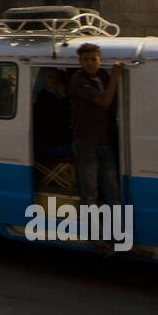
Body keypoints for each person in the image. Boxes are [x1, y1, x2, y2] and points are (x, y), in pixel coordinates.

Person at [67, 43, 123, 207]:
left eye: (93, 59)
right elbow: (104, 101)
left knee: (113, 192)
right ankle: (91, 231)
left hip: (104, 141)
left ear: (99, 60)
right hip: (86, 142)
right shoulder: (78, 81)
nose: (89, 63)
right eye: (85, 59)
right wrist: (115, 75)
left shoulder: (102, 77)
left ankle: (117, 231)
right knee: (90, 194)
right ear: (80, 62)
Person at [34, 68, 74, 164]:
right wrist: (64, 96)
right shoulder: (45, 99)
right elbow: (64, 117)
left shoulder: (54, 97)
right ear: (44, 80)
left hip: (55, 142)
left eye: (57, 77)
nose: (54, 80)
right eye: (50, 77)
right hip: (50, 146)